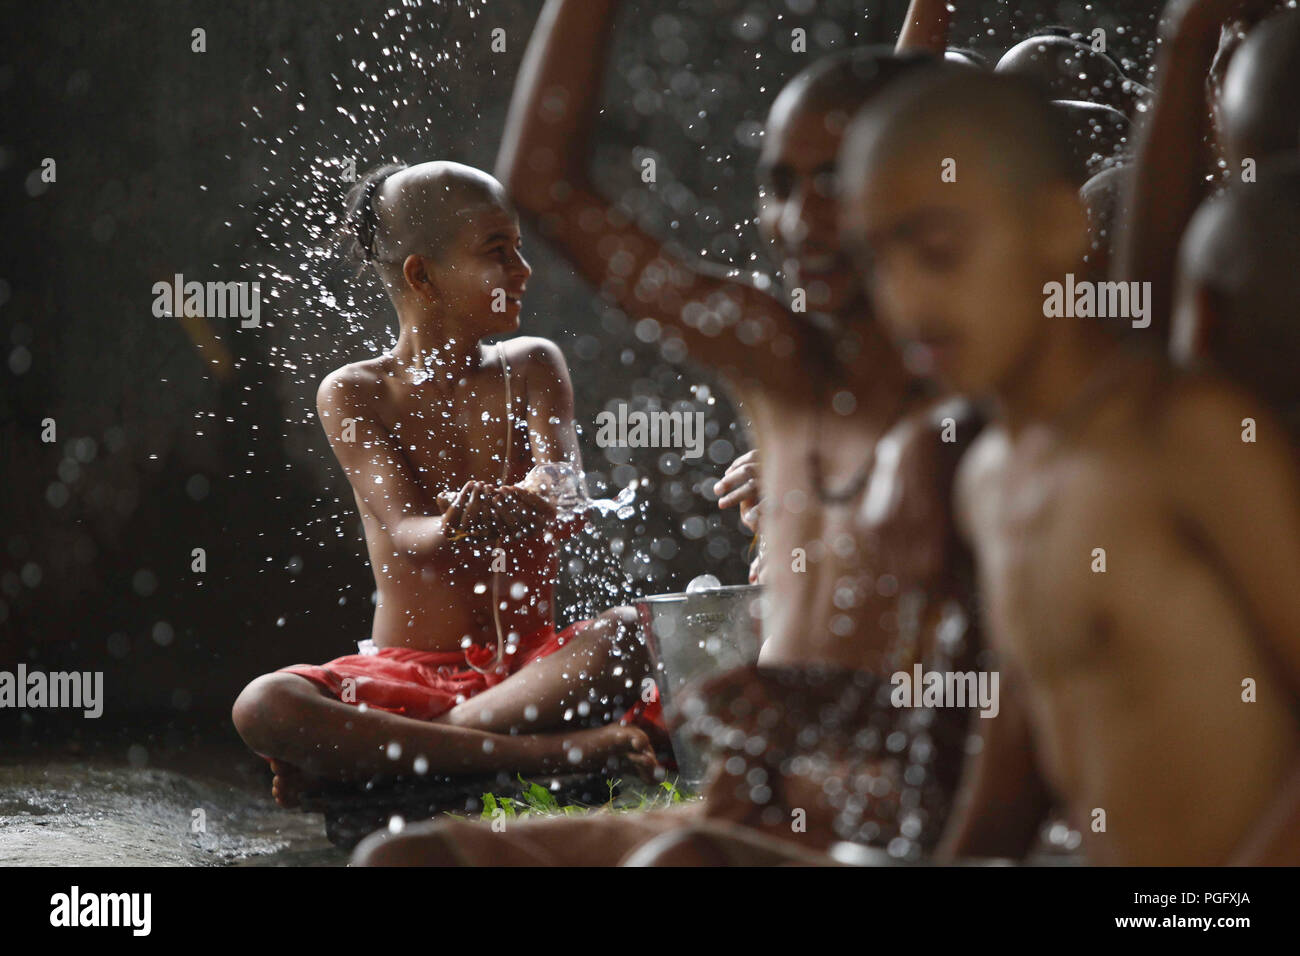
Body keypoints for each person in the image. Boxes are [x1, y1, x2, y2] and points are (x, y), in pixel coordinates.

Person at [351, 0, 984, 865]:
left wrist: (824, 708)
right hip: (746, 806)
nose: (800, 223)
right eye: (781, 188)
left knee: (676, 861)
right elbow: (547, 187)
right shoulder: (778, 356)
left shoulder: (981, 390)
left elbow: (999, 702)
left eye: (834, 186)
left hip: (884, 828)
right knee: (401, 860)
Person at [840, 64, 1300, 865]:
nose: (906, 302)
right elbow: (1010, 789)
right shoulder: (986, 480)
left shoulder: (1185, 435)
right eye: (878, 262)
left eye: (940, 252)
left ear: (1058, 226)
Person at [232, 160, 657, 808]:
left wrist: (544, 493)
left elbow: (567, 490)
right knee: (264, 705)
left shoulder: (535, 365)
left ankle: (407, 757)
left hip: (528, 677)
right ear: (421, 275)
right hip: (406, 681)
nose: (524, 270)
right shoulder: (355, 391)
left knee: (632, 634)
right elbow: (405, 529)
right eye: (497, 252)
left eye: (519, 248)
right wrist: (457, 521)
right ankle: (543, 755)